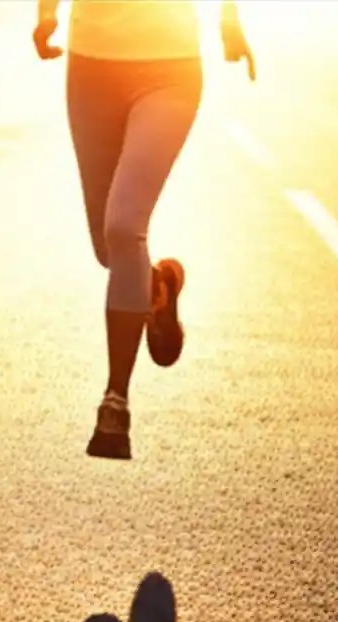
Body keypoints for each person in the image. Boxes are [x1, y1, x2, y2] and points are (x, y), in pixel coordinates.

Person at [33, 0, 255, 460]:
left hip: (169, 68)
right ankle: (156, 287)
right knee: (107, 248)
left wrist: (229, 22)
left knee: (124, 226)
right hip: (93, 69)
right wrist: (45, 14)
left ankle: (115, 404)